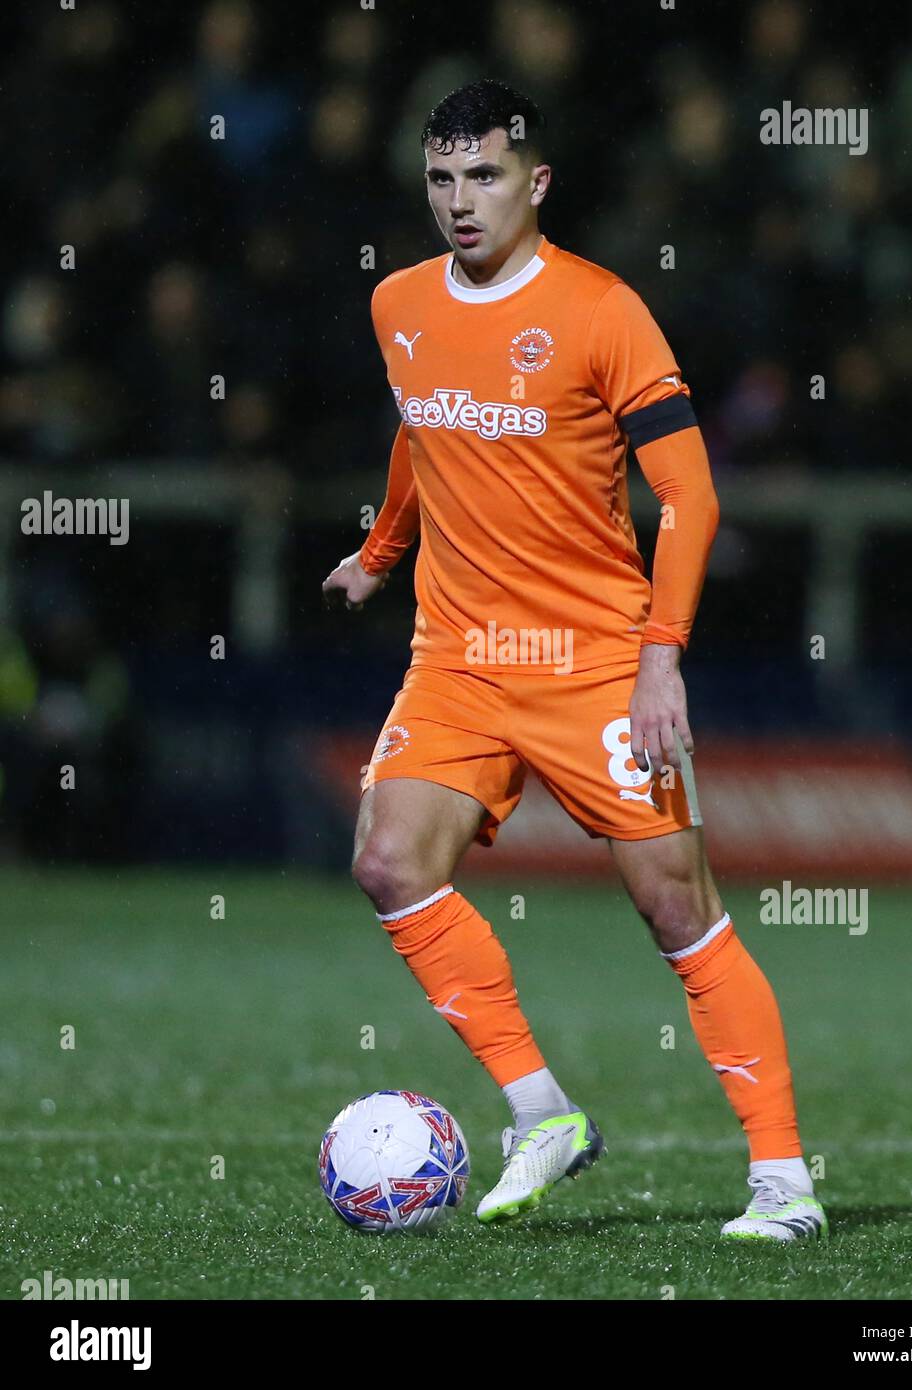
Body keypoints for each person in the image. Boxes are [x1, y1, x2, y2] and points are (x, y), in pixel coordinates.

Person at [323, 78, 826, 1241]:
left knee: (678, 912)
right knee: (392, 863)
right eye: (442, 178)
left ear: (535, 181)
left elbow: (690, 497)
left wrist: (662, 659)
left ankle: (784, 1183)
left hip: (596, 659)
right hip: (457, 658)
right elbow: (422, 423)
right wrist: (382, 548)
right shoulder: (397, 301)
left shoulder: (604, 311)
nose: (461, 200)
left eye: (485, 176)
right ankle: (541, 1112)